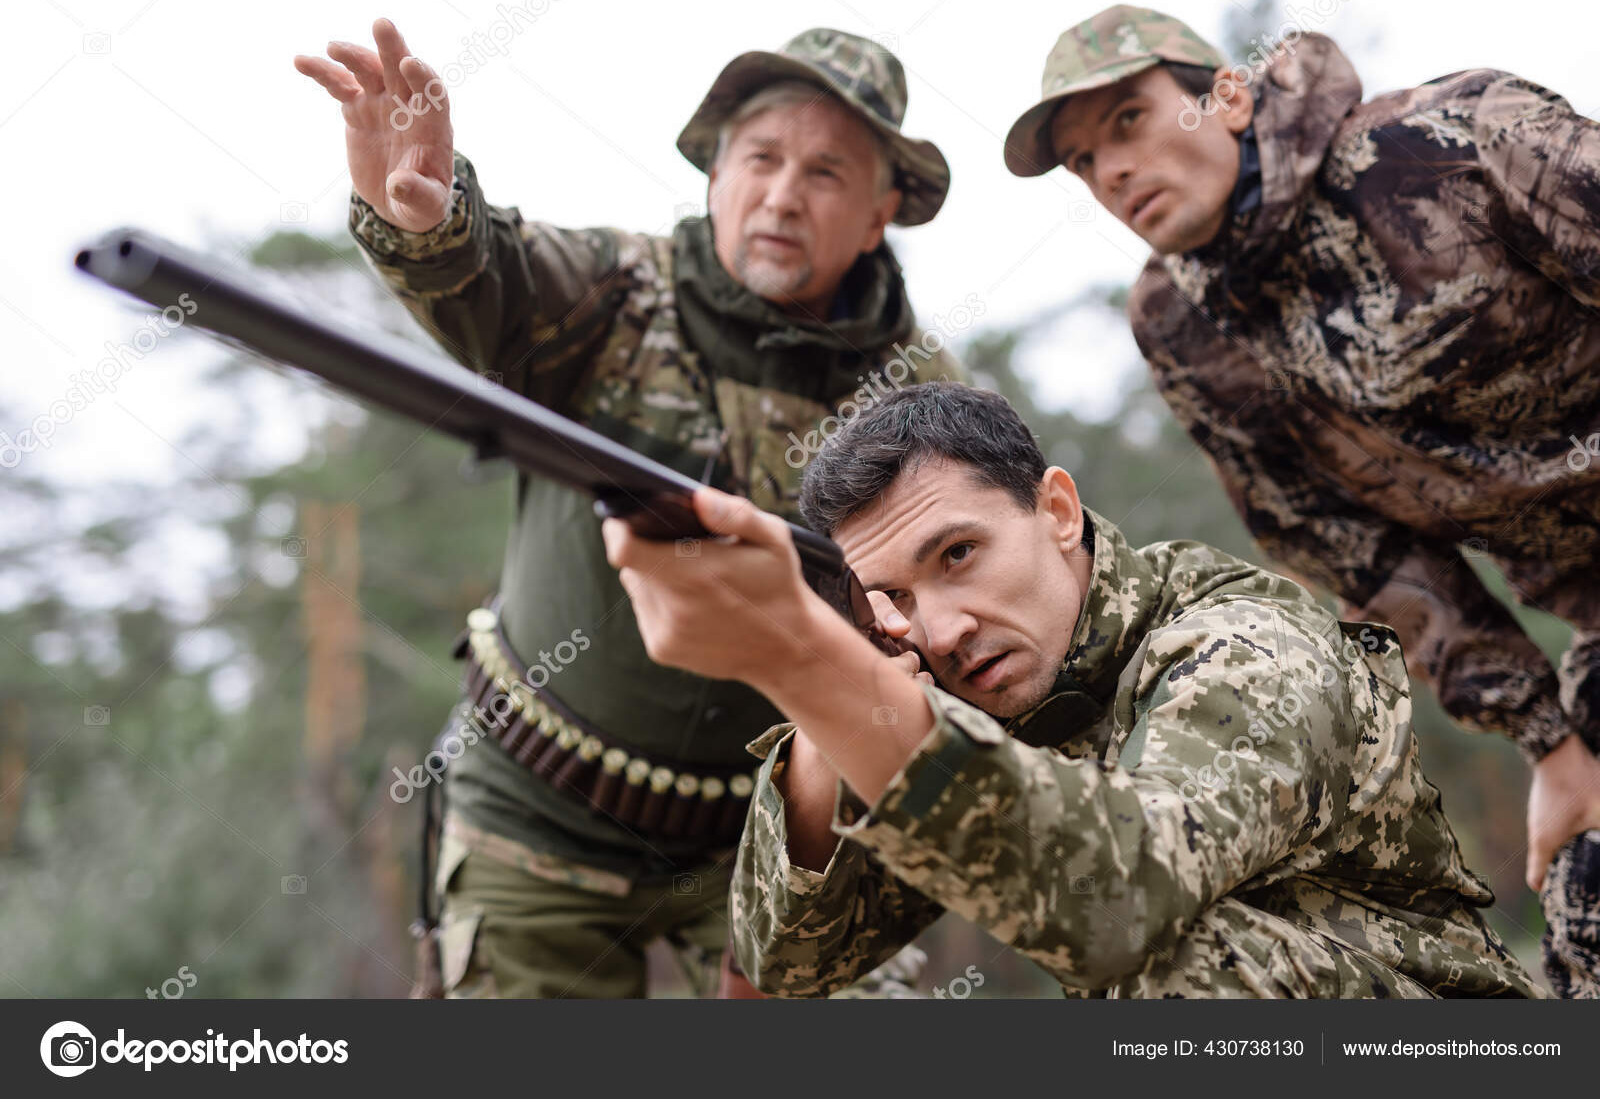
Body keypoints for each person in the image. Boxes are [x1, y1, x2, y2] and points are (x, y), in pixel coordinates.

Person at [295, 19, 961, 997]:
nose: (781, 195)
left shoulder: (926, 403)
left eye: (824, 173)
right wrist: (432, 219)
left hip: (780, 837)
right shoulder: (616, 291)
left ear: (878, 213)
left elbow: (966, 624)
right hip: (534, 812)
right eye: (761, 159)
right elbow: (495, 282)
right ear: (714, 174)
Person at [1002, 4, 1600, 997]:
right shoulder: (1182, 328)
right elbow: (1356, 553)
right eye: (1079, 162)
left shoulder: (1453, 138)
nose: (1108, 171)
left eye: (1126, 121)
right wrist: (1553, 739)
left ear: (1226, 97)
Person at [602, 381, 1543, 998]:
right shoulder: (946, 675)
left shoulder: (1242, 643)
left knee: (1153, 970)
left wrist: (799, 657)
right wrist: (832, 698)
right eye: (891, 599)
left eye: (960, 554)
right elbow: (795, 964)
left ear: (1056, 510)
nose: (943, 628)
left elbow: (1120, 900)